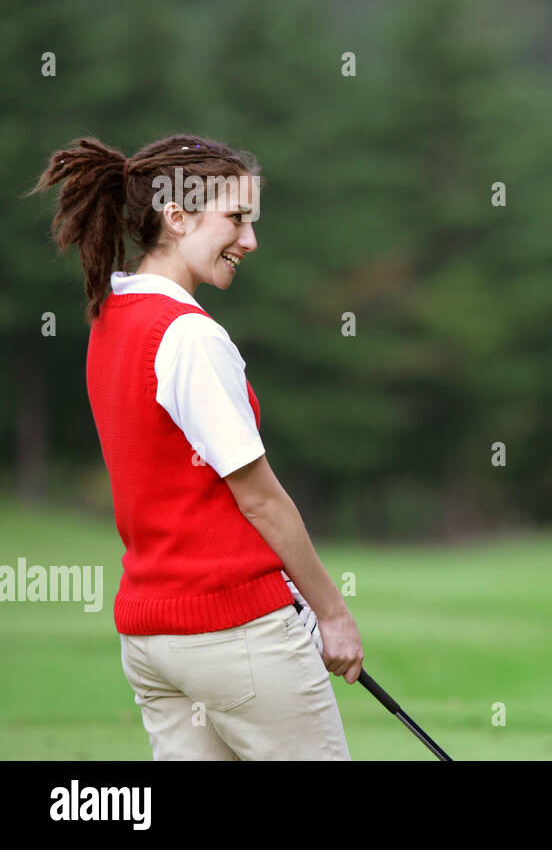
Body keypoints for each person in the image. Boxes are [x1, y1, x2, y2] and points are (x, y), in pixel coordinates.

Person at [30, 135, 363, 760]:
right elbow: (260, 500)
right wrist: (334, 613)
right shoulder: (186, 336)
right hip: (232, 635)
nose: (250, 240)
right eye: (236, 218)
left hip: (154, 641)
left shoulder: (111, 319)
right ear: (178, 216)